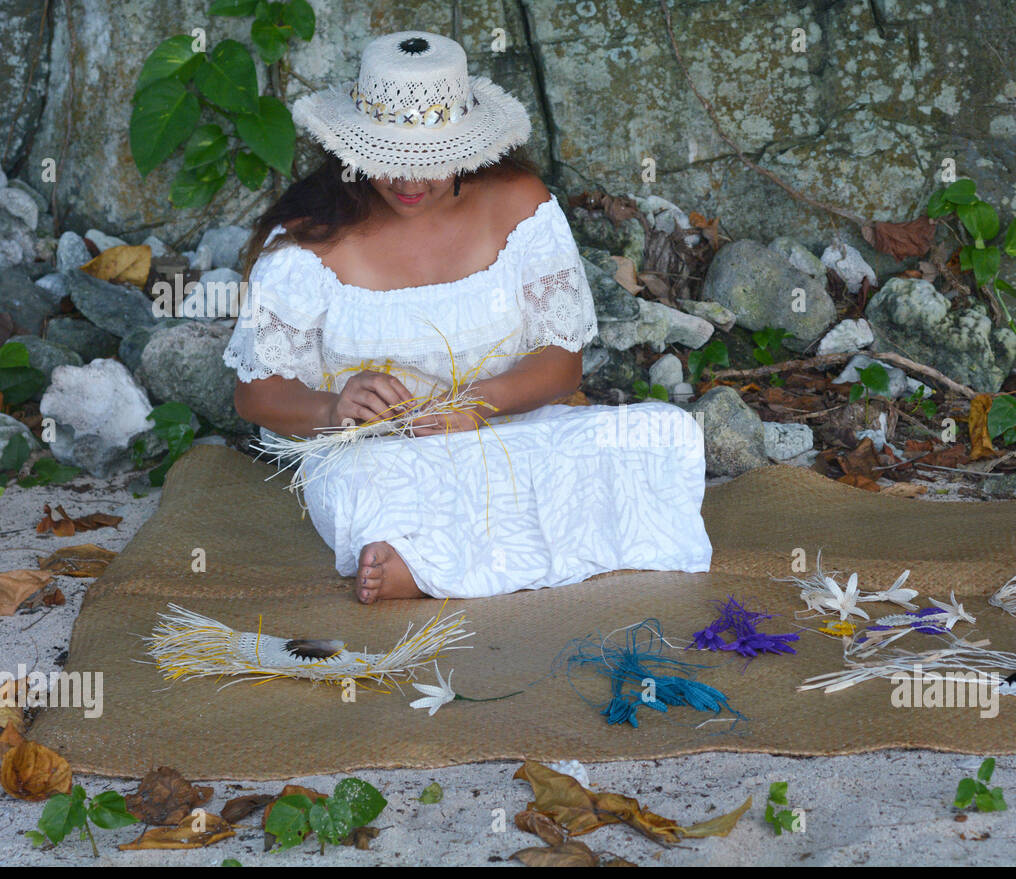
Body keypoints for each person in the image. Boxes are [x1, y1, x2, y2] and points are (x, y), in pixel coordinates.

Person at [223, 31, 711, 604]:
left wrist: (475, 407)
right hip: (378, 450)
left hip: (511, 427)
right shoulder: (308, 241)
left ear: (469, 149)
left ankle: (433, 562)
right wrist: (334, 408)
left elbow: (562, 364)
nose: (408, 182)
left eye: (428, 162)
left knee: (661, 434)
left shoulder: (520, 204)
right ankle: (415, 559)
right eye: (388, 159)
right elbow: (255, 395)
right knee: (372, 484)